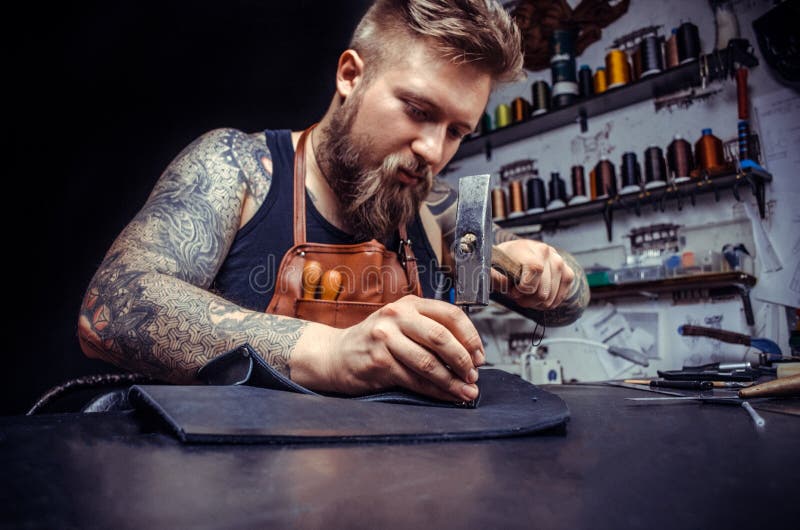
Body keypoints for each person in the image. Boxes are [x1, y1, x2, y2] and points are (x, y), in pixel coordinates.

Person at [78, 0, 590, 404]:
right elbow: (112, 308)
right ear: (350, 75)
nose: (434, 150)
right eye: (416, 110)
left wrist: (546, 271)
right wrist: (333, 353)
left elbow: (573, 304)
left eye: (457, 131)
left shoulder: (438, 211)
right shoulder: (239, 167)